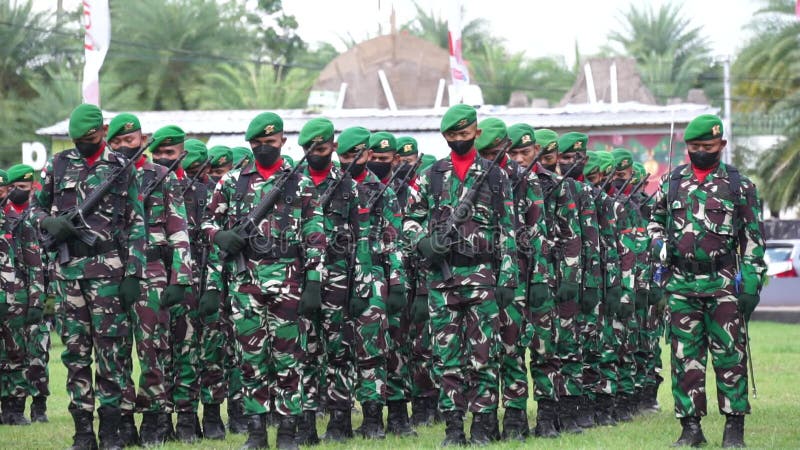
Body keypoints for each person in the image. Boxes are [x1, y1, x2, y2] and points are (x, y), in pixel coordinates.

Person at [202, 111, 326, 450]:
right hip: (246, 282)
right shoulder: (231, 182)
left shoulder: (300, 182)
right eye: (257, 144)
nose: (264, 148)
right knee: (250, 360)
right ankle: (256, 433)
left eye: (270, 142)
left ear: (283, 141)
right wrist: (222, 236)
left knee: (290, 359)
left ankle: (287, 433)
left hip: (289, 279)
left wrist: (314, 280)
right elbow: (206, 224)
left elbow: (315, 233)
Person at [647, 114, 766, 448]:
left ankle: (734, 428)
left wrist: (754, 279)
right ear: (686, 147)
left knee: (731, 356)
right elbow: (653, 222)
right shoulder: (671, 183)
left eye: (708, 146)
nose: (701, 151)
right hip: (682, 284)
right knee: (685, 358)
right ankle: (690, 428)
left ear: (721, 146)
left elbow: (753, 237)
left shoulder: (738, 185)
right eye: (695, 147)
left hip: (724, 283)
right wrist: (658, 243)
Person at [404, 104, 518, 446]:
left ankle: (483, 427)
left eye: (464, 134)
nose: (459, 140)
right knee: (446, 357)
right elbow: (409, 219)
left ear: (477, 134)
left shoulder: (495, 176)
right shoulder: (431, 176)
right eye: (452, 135)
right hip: (442, 278)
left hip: (482, 276)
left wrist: (507, 279)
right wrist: (423, 242)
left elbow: (508, 230)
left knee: (483, 356)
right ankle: (454, 429)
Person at [35, 103, 147, 449]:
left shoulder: (121, 167)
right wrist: (47, 222)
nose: (85, 143)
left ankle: (112, 431)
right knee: (75, 352)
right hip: (69, 274)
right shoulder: (58, 164)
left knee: (112, 353)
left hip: (110, 271)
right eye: (78, 139)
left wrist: (134, 274)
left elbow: (137, 222)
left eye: (91, 136)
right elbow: (36, 208)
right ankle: (83, 432)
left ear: (102, 131)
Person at [107, 114, 194, 445]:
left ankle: (155, 419)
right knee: (113, 350)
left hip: (153, 273)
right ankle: (123, 420)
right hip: (112, 271)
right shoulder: (105, 176)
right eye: (118, 142)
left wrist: (180, 277)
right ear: (110, 144)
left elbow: (178, 227)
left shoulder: (160, 175)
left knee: (152, 348)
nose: (125, 146)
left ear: (142, 139)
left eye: (131, 140)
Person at [338, 128, 407, 439]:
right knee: (336, 351)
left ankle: (372, 419)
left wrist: (397, 282)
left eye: (357, 154)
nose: (351, 160)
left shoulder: (383, 191)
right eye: (345, 155)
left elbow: (395, 240)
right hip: (335, 280)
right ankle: (338, 421)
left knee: (372, 352)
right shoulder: (330, 189)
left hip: (373, 280)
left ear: (365, 154)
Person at [146, 129, 202, 442]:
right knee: (156, 350)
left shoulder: (201, 190)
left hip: (189, 279)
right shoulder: (144, 183)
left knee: (188, 349)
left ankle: (186, 420)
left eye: (171, 152)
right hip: (152, 275)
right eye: (160, 152)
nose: (165, 158)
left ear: (183, 151)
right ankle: (159, 419)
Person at [1, 164, 46, 426]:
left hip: (15, 299)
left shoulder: (21, 222)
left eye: (1, 189)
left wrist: (36, 301)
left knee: (15, 355)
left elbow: (34, 265)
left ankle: (14, 409)